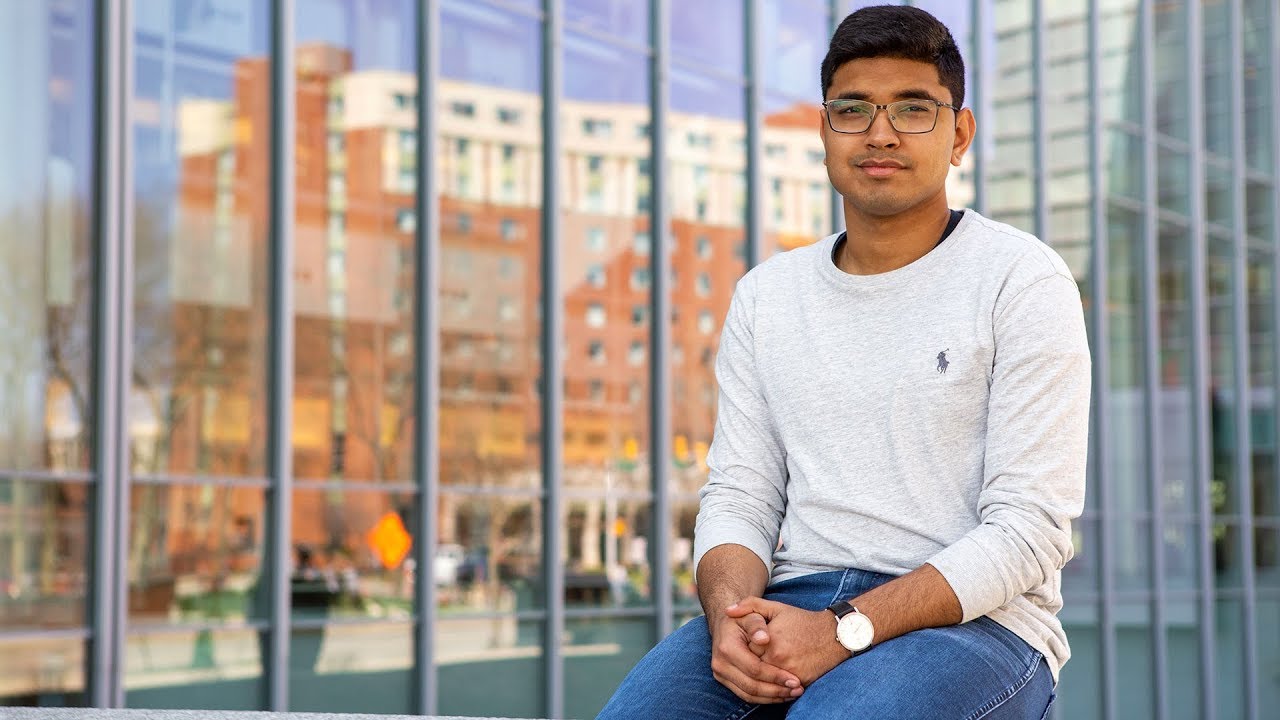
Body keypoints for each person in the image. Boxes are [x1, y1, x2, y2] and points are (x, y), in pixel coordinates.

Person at [598, 5, 1089, 719]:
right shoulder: (768, 295)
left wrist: (841, 631)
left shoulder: (1020, 280)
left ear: (960, 135)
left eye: (914, 109)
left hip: (978, 626)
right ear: (825, 132)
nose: (880, 133)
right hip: (791, 602)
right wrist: (731, 619)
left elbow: (1029, 531)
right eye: (853, 110)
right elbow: (740, 494)